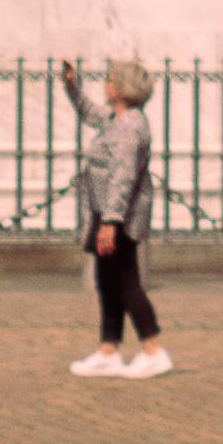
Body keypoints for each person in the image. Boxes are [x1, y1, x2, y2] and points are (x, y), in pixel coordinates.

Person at [66, 58, 169, 378]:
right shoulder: (115, 118)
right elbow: (89, 112)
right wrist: (71, 85)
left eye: (111, 80)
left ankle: (153, 349)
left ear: (124, 88)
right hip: (105, 209)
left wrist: (111, 221)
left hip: (119, 215)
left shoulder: (129, 127)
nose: (106, 85)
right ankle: (108, 349)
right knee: (108, 281)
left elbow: (122, 176)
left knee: (125, 281)